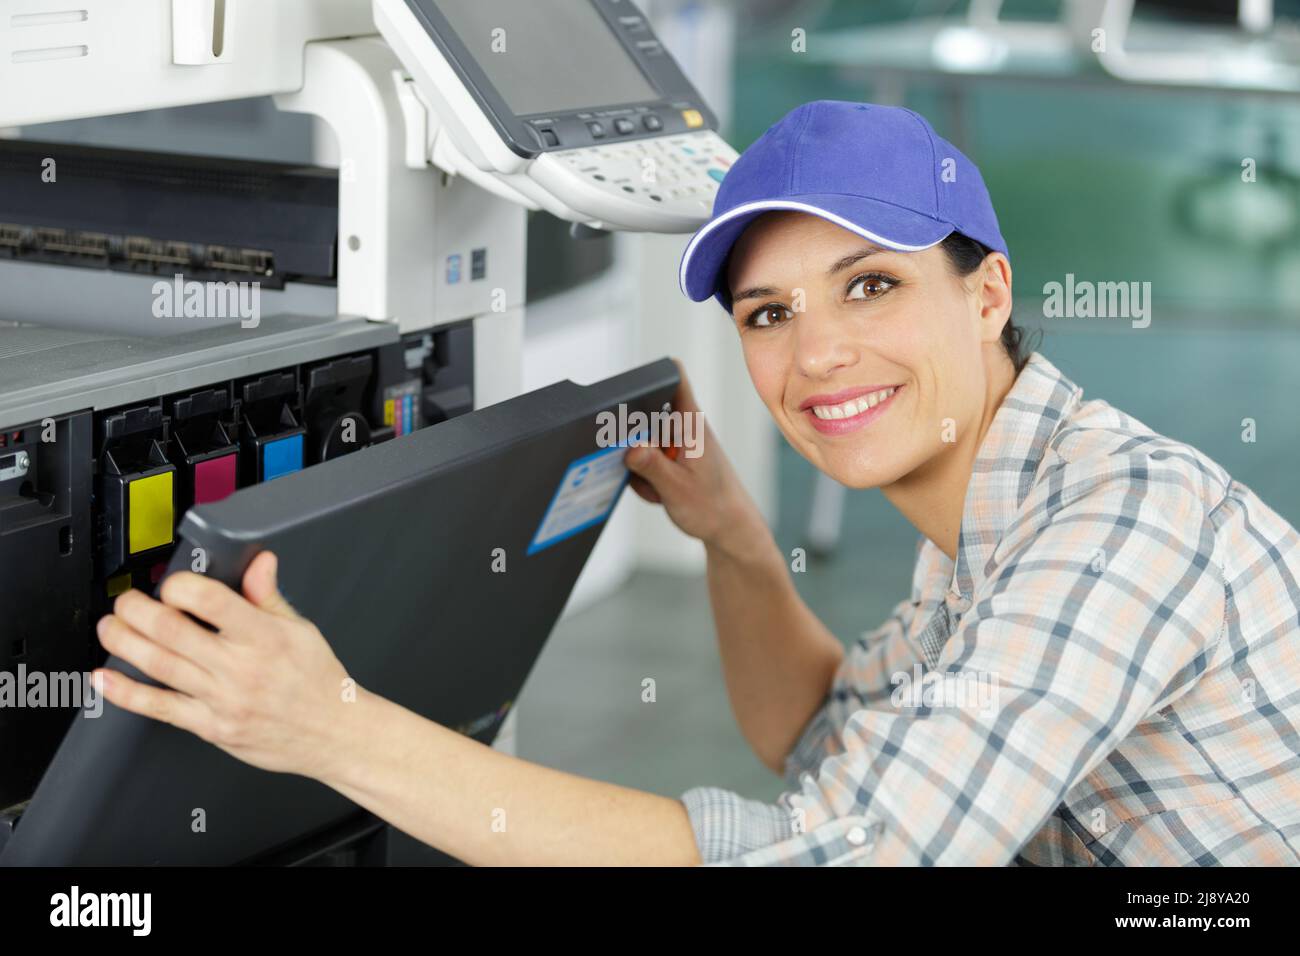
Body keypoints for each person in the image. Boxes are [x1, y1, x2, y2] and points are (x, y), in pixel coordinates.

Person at [95, 100, 1300, 866]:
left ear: (986, 295)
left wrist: (328, 727)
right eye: (770, 312)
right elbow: (821, 734)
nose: (816, 350)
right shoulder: (983, 527)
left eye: (869, 284)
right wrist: (732, 535)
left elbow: (846, 859)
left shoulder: (1115, 526)